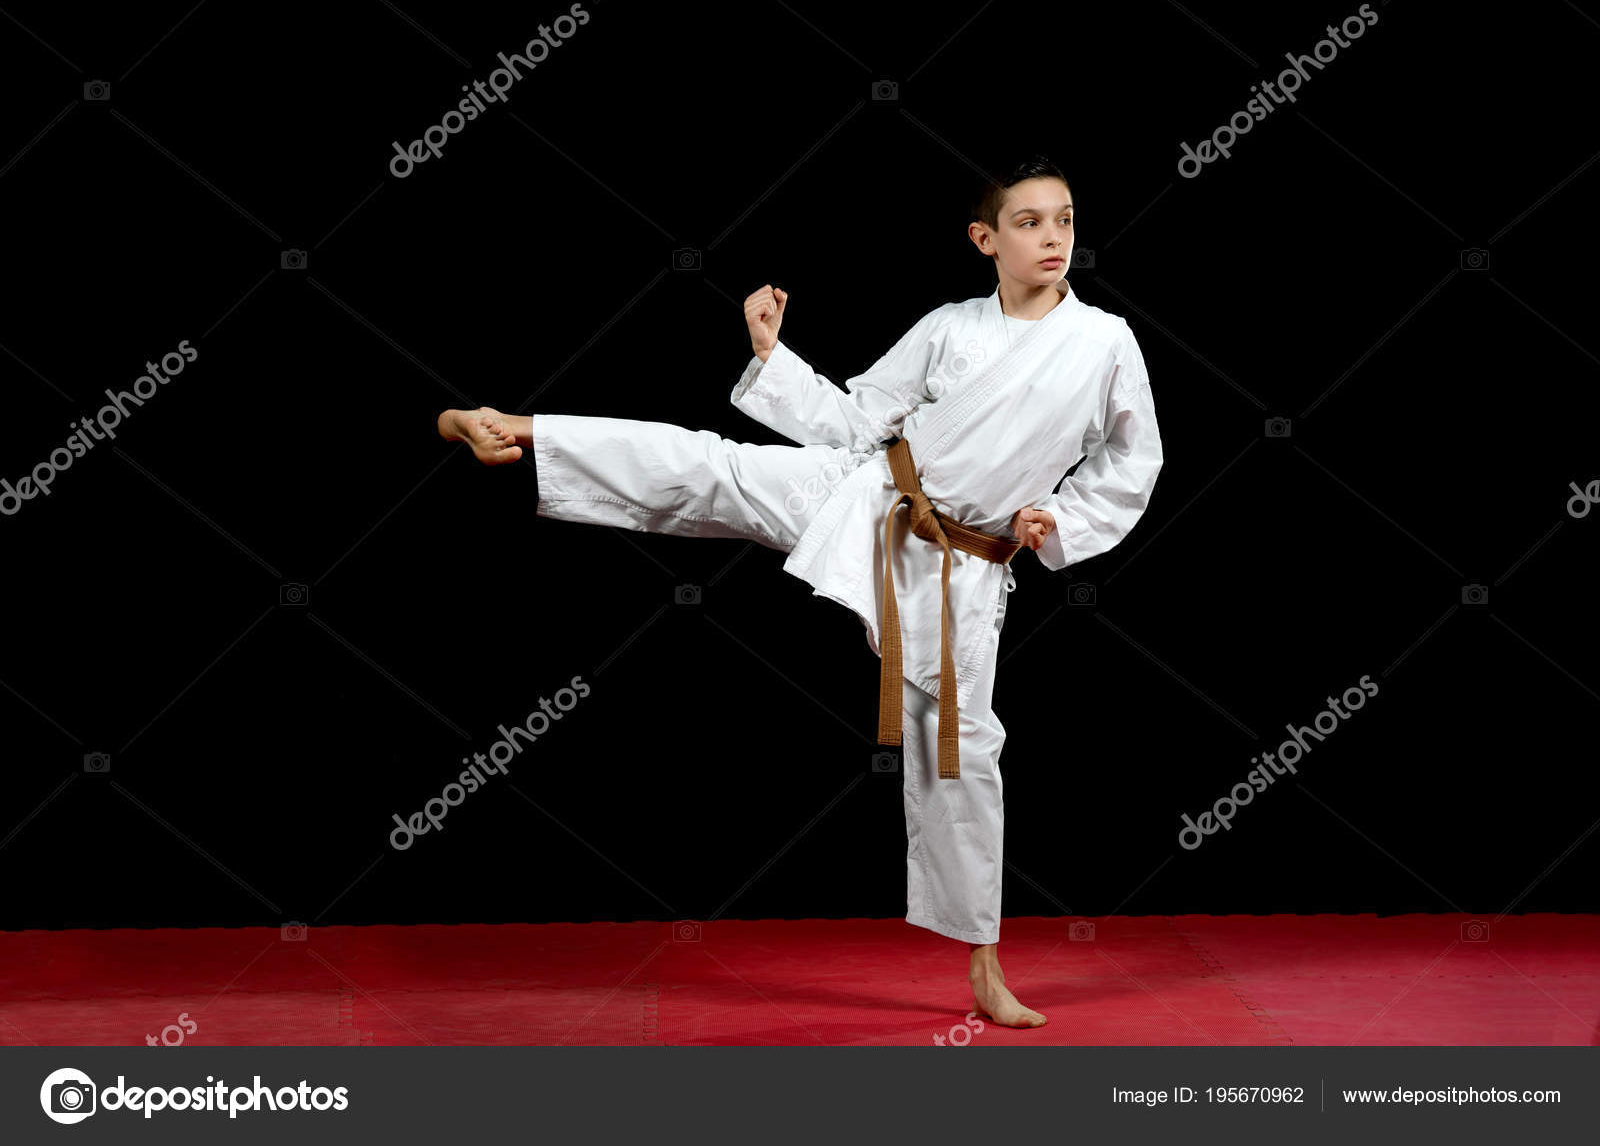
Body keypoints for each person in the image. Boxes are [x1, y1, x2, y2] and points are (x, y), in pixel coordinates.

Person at [436, 156, 1164, 1029]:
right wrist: (771, 356)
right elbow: (859, 420)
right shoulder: (949, 327)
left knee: (963, 756)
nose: (1053, 237)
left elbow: (1135, 460)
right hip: (869, 495)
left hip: (961, 566)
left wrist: (1061, 519)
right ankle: (517, 426)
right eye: (1029, 221)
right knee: (713, 467)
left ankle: (984, 965)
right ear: (985, 239)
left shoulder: (1105, 343)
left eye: (1065, 219)